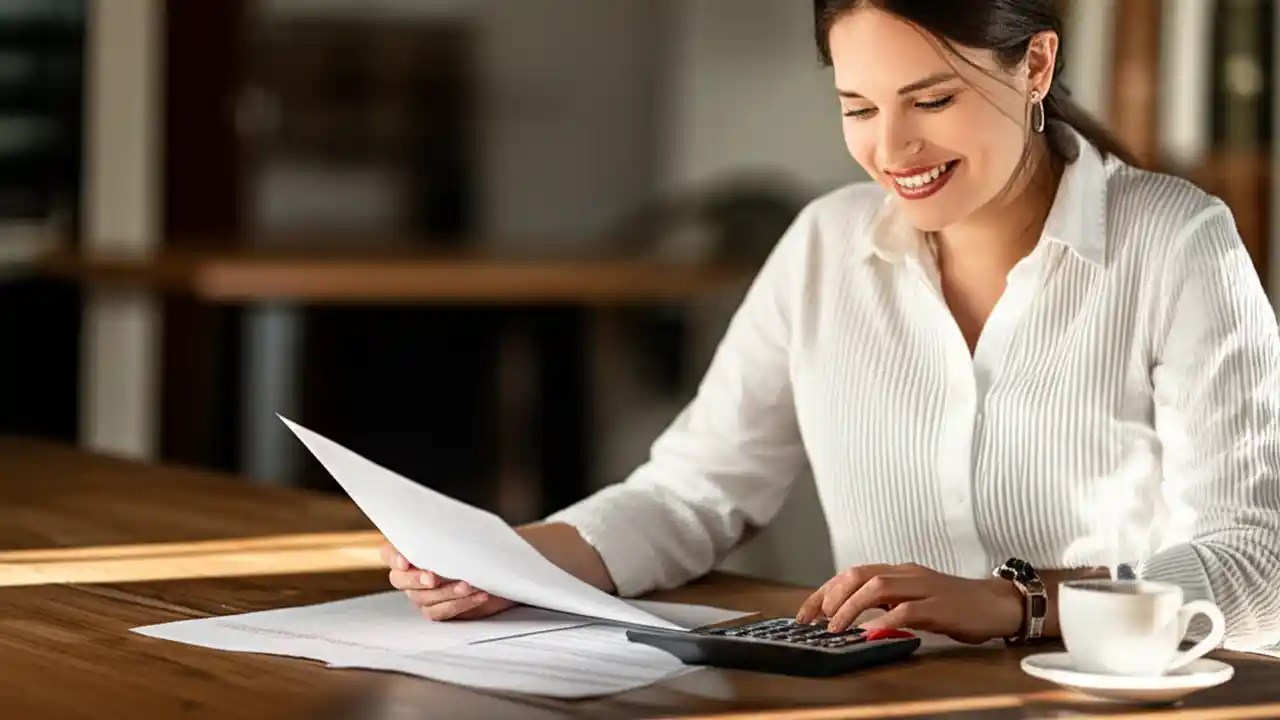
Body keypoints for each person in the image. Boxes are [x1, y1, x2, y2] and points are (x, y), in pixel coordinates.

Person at [380, 0, 1280, 647]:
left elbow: (1255, 565)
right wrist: (511, 559)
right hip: (889, 704)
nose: (892, 151)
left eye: (932, 102)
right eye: (858, 108)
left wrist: (1020, 604)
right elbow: (696, 490)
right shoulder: (825, 244)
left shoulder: (1174, 241)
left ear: (1035, 65)